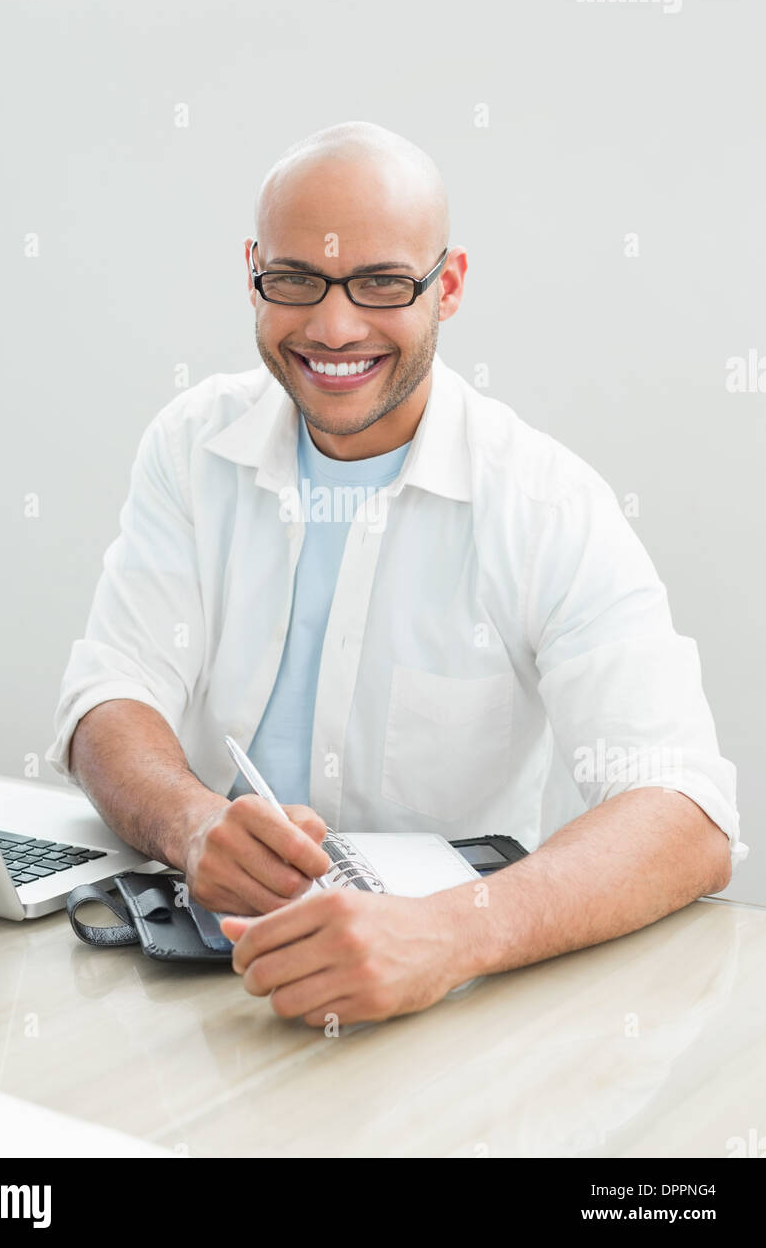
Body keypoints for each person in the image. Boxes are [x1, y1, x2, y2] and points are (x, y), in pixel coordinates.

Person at [46, 120, 745, 1027]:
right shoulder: (191, 448)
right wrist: (193, 824)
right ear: (253, 271)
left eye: (381, 283)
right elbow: (111, 694)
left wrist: (453, 936)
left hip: (447, 1008)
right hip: (207, 981)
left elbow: (686, 812)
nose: (334, 327)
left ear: (446, 286)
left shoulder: (545, 503)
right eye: (295, 280)